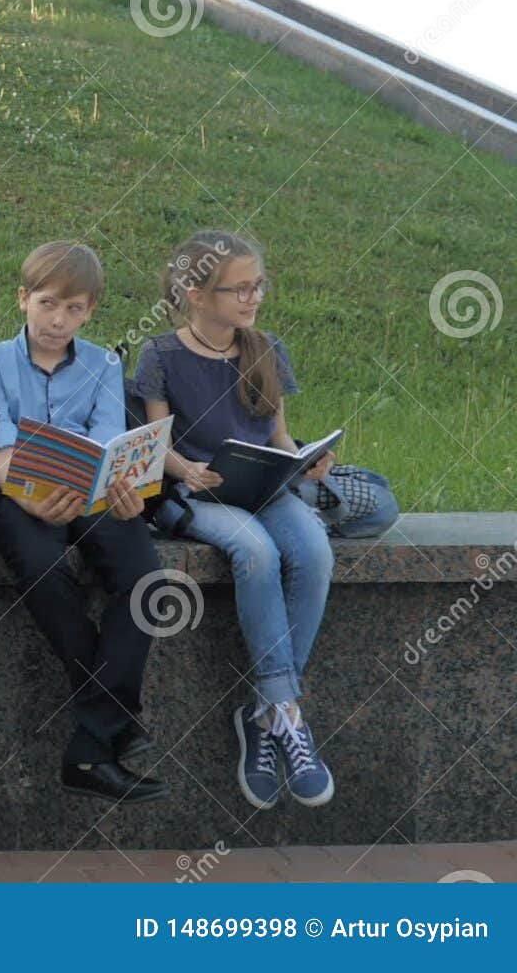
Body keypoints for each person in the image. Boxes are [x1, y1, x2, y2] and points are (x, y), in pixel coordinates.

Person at [134, 230, 336, 810]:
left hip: (265, 488)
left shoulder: (264, 348)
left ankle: (269, 711)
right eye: (239, 288)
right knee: (257, 553)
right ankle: (285, 709)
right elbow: (155, 440)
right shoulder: (161, 355)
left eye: (258, 286)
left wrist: (309, 457)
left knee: (314, 550)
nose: (253, 298)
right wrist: (185, 468)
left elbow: (277, 436)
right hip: (199, 494)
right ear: (194, 294)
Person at [0, 241, 170, 804]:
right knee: (42, 568)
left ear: (91, 311)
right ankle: (112, 726)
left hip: (94, 492)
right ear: (23, 300)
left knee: (144, 581)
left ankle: (93, 740)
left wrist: (126, 488)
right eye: (47, 304)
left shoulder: (105, 364)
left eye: (75, 308)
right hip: (18, 494)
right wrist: (31, 499)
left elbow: (111, 437)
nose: (58, 320)